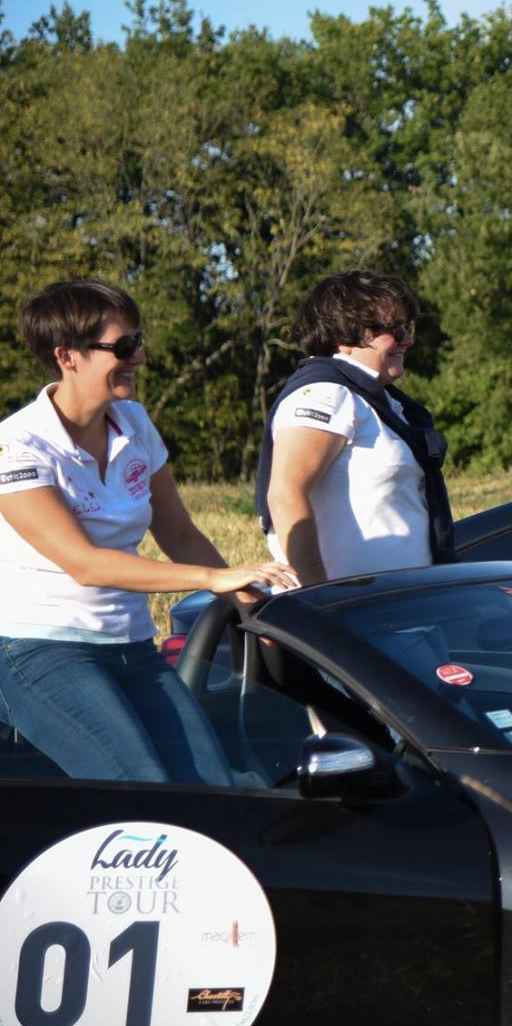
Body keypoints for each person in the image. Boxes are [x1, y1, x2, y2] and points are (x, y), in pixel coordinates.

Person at [0, 281, 296, 782]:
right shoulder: (17, 446)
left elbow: (178, 532)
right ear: (66, 356)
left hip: (132, 643)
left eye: (138, 341)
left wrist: (247, 603)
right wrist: (209, 579)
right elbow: (85, 563)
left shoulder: (133, 422)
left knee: (212, 788)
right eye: (123, 346)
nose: (138, 358)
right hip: (41, 648)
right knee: (145, 792)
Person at [256, 270, 453, 585]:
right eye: (395, 330)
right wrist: (317, 597)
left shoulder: (379, 399)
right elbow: (284, 493)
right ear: (346, 335)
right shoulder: (326, 393)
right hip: (352, 616)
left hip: (399, 610)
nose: (408, 339)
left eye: (408, 327)